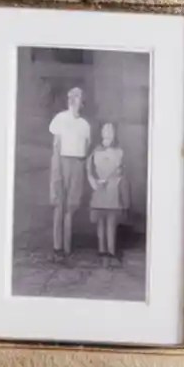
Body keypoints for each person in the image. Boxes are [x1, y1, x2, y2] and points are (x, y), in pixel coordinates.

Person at [48, 86, 92, 262]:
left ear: (82, 103)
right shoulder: (60, 118)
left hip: (78, 163)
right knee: (59, 205)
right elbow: (56, 145)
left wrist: (81, 167)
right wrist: (57, 169)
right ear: (69, 100)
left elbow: (86, 148)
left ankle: (67, 248)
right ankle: (57, 247)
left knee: (71, 207)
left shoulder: (85, 125)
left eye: (79, 99)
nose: (75, 101)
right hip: (61, 162)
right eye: (72, 98)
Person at [87, 121, 130, 268]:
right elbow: (89, 170)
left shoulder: (119, 152)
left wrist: (114, 180)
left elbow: (122, 170)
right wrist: (93, 181)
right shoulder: (95, 151)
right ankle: (102, 251)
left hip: (113, 190)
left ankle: (111, 251)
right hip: (99, 190)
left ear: (114, 132)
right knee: (100, 221)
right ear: (101, 132)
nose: (108, 132)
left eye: (111, 129)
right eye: (105, 129)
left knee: (111, 220)